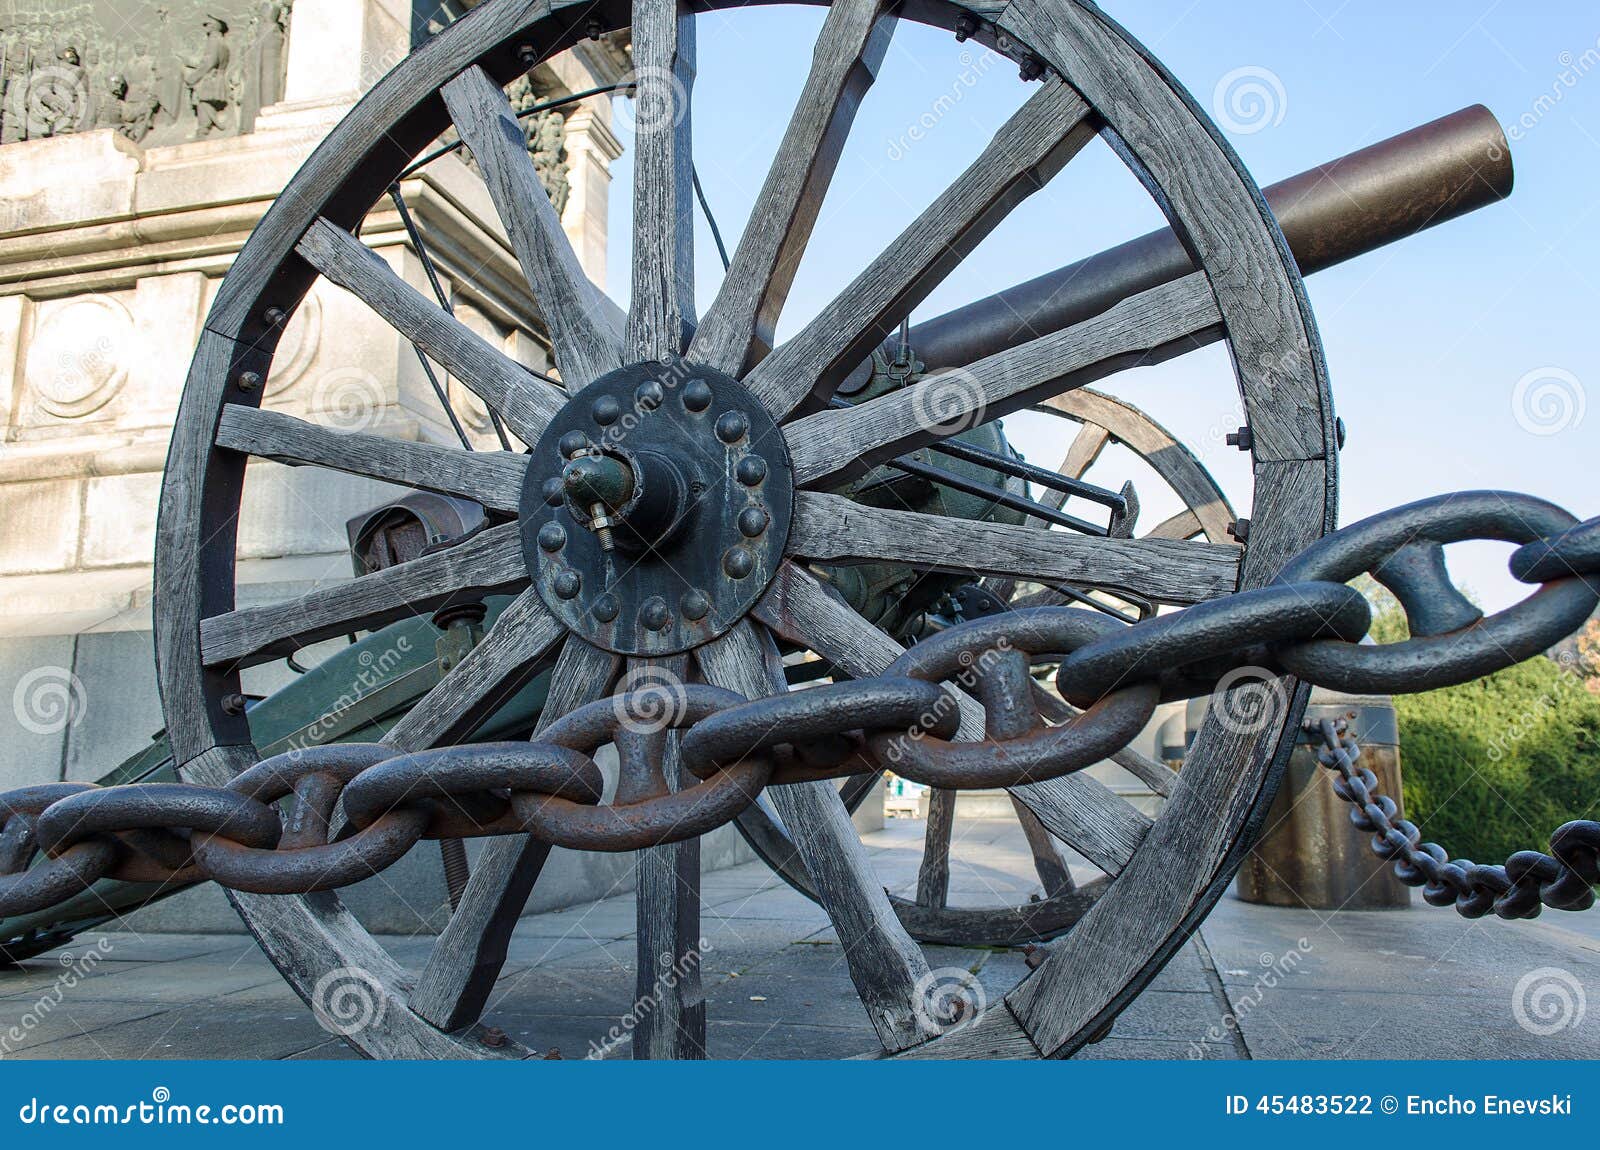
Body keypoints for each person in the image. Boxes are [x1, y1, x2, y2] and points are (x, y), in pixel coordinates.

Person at [183, 15, 229, 137]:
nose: (205, 26)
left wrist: (194, 76)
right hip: (216, 76)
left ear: (214, 26)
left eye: (207, 24)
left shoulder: (213, 40)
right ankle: (207, 126)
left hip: (210, 77)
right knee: (204, 102)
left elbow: (210, 62)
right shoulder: (221, 40)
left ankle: (204, 129)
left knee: (202, 101)